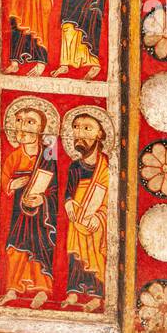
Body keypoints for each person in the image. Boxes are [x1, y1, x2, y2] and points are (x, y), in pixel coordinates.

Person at [0, 106, 58, 308]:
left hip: (42, 215)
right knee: (15, 248)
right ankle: (13, 289)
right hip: (19, 213)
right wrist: (12, 185)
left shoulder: (49, 153)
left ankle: (42, 290)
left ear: (41, 128)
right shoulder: (14, 156)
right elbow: (3, 181)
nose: (23, 127)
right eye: (19, 121)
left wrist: (43, 199)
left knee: (41, 248)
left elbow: (55, 186)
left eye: (30, 122)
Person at [62, 113, 109, 312]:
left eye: (87, 128)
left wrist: (99, 217)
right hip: (77, 219)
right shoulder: (74, 166)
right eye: (76, 127)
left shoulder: (107, 167)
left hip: (96, 221)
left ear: (100, 133)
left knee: (96, 255)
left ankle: (97, 296)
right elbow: (68, 192)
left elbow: (111, 197)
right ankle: (73, 292)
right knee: (76, 256)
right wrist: (69, 203)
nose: (79, 133)